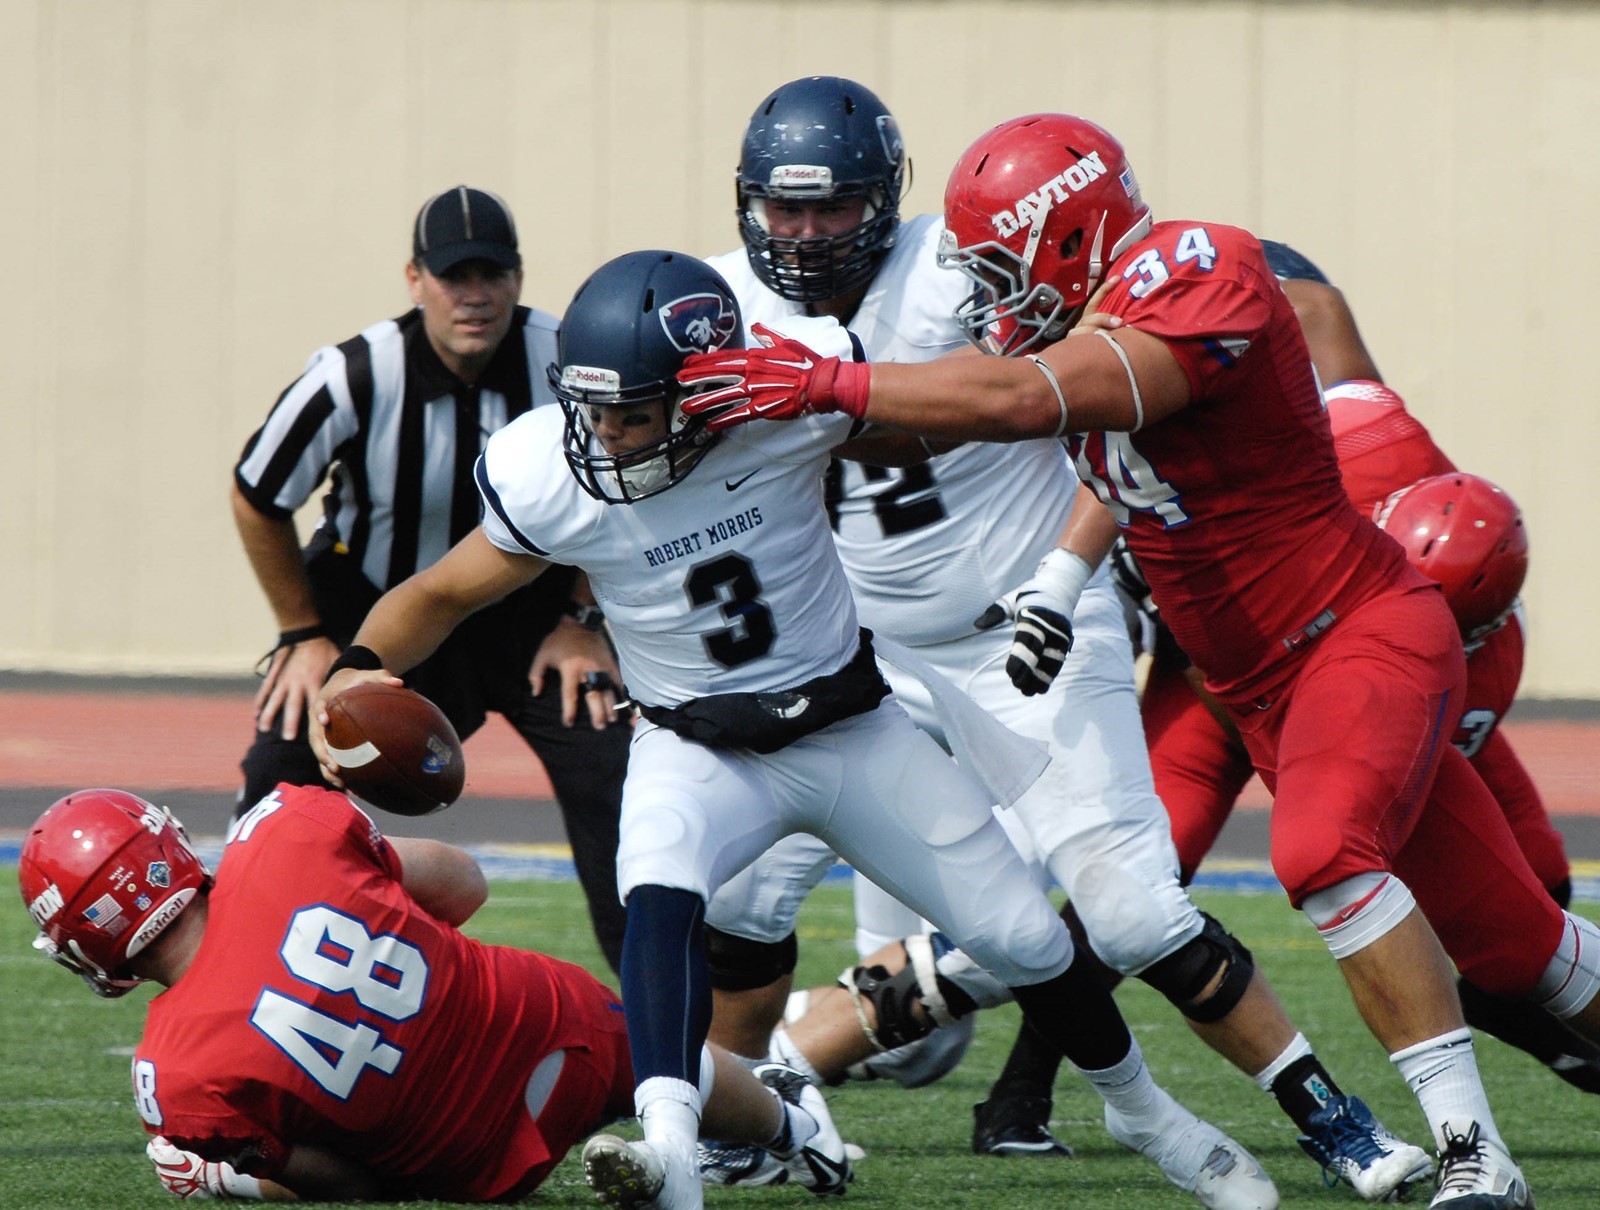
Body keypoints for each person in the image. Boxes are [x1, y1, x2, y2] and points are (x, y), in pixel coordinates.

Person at [677, 112, 1600, 1210]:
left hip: (1350, 630)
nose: (982, 292)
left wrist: (822, 384)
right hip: (1246, 681)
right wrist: (1058, 582)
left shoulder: (1199, 268)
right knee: (1516, 945)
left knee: (1321, 852)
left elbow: (1034, 400)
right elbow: (1106, 462)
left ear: (1062, 239)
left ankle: (1473, 1159)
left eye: (996, 265)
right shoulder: (1092, 328)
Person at [308, 248, 1279, 1210]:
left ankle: (1149, 1116)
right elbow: (439, 592)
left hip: (849, 729)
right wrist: (354, 669)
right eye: (589, 405)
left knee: (1026, 939)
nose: (603, 432)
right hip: (693, 744)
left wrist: (836, 395)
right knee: (657, 885)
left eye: (631, 409)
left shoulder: (778, 410)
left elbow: (923, 434)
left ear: (700, 391)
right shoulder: (551, 471)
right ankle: (672, 1151)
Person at [1123, 242, 1600, 1094]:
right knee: (1140, 883)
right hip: (1226, 658)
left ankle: (1493, 1103)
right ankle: (1029, 1083)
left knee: (1523, 894)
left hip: (1333, 665)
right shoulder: (1359, 440)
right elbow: (1313, 310)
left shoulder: (1466, 629)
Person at [16, 784, 847, 1203]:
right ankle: (794, 1133)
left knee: (351, 1144)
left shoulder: (174, 1081)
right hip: (554, 1027)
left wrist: (221, 1180)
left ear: (85, 945)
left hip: (474, 1165)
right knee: (659, 1058)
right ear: (165, 844)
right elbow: (464, 884)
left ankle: (754, 1131)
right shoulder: (286, 833)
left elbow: (345, 1184)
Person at [231, 185, 629, 972]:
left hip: (530, 614)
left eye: (492, 274)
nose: (475, 296)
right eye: (455, 276)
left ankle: (672, 1025)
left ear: (518, 277)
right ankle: (246, 969)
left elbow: (626, 485)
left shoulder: (571, 360)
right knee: (284, 773)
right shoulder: (352, 376)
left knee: (618, 774)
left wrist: (582, 621)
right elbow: (257, 495)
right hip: (378, 611)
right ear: (415, 279)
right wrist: (304, 635)